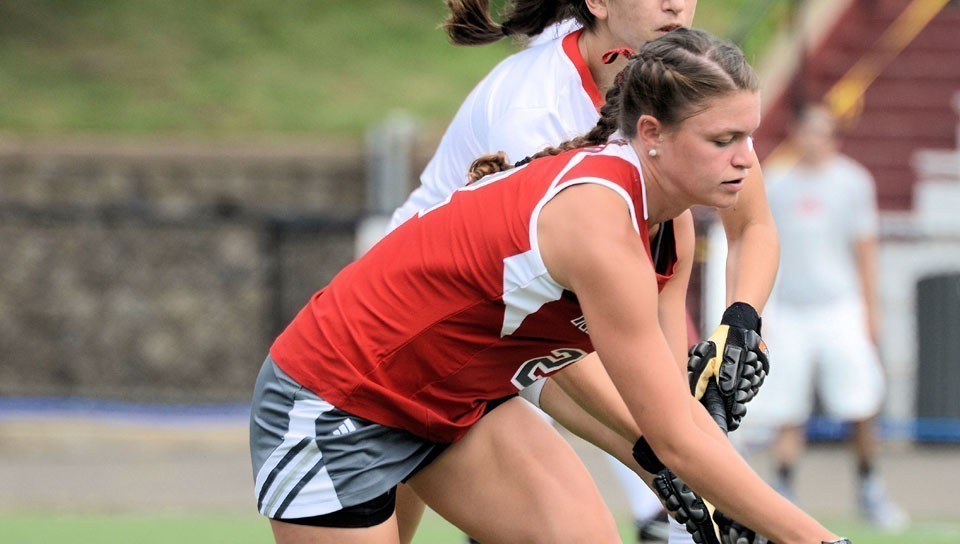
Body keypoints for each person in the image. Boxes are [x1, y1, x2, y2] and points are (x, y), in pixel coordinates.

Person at [249, 28, 850, 544]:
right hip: (337, 399)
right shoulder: (599, 227)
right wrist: (811, 536)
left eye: (750, 136)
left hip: (458, 398)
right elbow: (672, 436)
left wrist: (712, 480)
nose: (748, 160)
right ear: (651, 133)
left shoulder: (671, 227)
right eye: (724, 141)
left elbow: (675, 418)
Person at [387, 2, 777, 542]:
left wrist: (741, 319)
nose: (675, 4)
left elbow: (752, 226)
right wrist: (674, 461)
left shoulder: (685, 76)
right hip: (417, 328)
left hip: (504, 333)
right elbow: (552, 353)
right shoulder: (538, 112)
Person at [756, 102, 909, 531]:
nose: (813, 140)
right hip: (791, 311)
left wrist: (870, 311)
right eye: (807, 131)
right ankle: (783, 493)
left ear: (832, 137)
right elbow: (764, 246)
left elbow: (864, 250)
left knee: (860, 402)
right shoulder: (778, 184)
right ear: (797, 134)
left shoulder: (852, 182)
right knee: (786, 407)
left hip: (839, 308)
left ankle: (869, 486)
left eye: (822, 132)